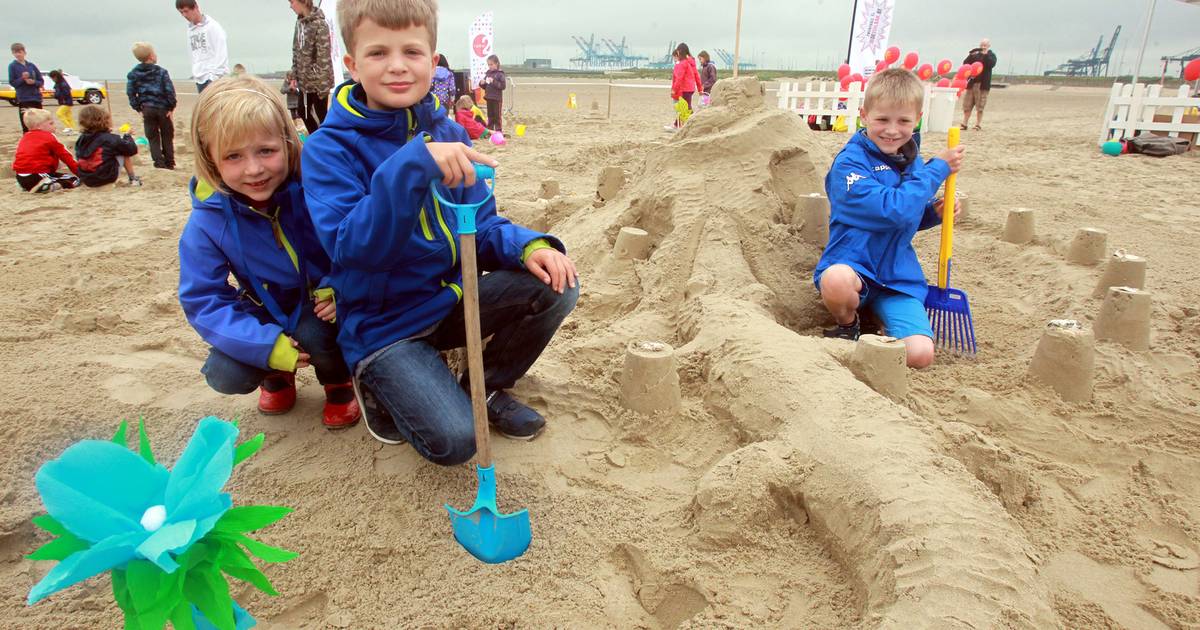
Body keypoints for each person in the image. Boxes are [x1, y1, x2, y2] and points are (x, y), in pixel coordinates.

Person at [302, 0, 579, 463]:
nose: (397, 66)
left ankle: (485, 386)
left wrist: (528, 246)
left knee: (557, 281)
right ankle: (377, 385)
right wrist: (411, 168)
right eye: (378, 53)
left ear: (433, 62)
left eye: (411, 52)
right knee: (455, 442)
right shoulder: (328, 150)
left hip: (450, 303)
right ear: (352, 64)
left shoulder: (451, 133)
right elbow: (354, 249)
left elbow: (479, 226)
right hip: (386, 327)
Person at [178, 75, 360, 430]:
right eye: (233, 156)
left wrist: (341, 286)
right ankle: (275, 376)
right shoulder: (207, 219)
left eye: (266, 151)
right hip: (262, 307)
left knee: (317, 330)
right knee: (225, 373)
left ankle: (338, 382)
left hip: (318, 301)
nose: (254, 169)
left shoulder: (315, 187)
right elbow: (203, 299)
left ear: (288, 143)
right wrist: (262, 344)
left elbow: (356, 242)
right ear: (211, 160)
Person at [813, 68, 965, 369]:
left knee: (920, 354)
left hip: (897, 277)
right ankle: (849, 324)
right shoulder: (850, 164)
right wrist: (937, 170)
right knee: (836, 280)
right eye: (882, 119)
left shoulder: (911, 160)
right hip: (855, 266)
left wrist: (931, 213)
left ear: (917, 119)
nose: (892, 130)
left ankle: (881, 320)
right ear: (864, 115)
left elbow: (904, 218)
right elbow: (890, 210)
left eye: (903, 121)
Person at [126, 42, 178, 170]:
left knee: (152, 136)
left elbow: (131, 92)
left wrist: (138, 107)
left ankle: (159, 162)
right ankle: (169, 162)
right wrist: (171, 106)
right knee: (167, 135)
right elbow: (169, 90)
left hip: (147, 108)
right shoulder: (161, 72)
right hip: (162, 108)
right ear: (151, 56)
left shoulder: (134, 73)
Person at [289, 0, 334, 134]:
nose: (290, 6)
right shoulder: (299, 24)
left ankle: (326, 140)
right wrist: (294, 75)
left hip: (318, 82)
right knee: (302, 111)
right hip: (304, 82)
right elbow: (296, 51)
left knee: (321, 115)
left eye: (292, 2)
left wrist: (322, 86)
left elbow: (324, 56)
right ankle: (316, 137)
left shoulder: (320, 24)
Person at [11, 108, 80, 192]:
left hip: (20, 176)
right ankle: (51, 186)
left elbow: (19, 157)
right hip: (38, 174)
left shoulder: (25, 137)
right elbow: (66, 156)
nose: (55, 126)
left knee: (52, 175)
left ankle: (26, 186)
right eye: (51, 123)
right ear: (39, 126)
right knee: (73, 179)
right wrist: (79, 172)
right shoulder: (49, 137)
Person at [74, 105, 142, 187]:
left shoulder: (81, 139)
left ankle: (81, 179)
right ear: (104, 120)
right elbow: (131, 150)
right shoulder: (109, 138)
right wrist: (127, 136)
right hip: (105, 178)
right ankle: (133, 178)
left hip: (86, 179)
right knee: (123, 150)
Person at [176, 0, 228, 93]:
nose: (184, 15)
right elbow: (193, 54)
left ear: (196, 7)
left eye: (186, 11)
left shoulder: (212, 26)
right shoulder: (190, 30)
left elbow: (221, 53)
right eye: (181, 12)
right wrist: (195, 73)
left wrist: (214, 77)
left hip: (214, 78)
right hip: (200, 78)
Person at [961, 38, 997, 131]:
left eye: (985, 45)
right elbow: (965, 63)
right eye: (982, 45)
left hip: (982, 86)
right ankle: (964, 123)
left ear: (989, 46)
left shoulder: (991, 55)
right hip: (971, 84)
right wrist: (971, 55)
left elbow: (991, 64)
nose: (983, 47)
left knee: (980, 106)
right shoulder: (975, 54)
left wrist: (985, 55)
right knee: (967, 105)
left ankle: (978, 124)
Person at [9, 43, 43, 133]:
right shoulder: (12, 66)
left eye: (19, 52)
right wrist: (22, 78)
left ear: (24, 52)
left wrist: (34, 82)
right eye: (15, 52)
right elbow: (12, 83)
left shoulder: (31, 65)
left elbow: (41, 81)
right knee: (27, 125)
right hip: (24, 99)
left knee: (40, 123)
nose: (17, 54)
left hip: (36, 98)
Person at [669, 43, 702, 129]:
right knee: (686, 107)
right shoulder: (691, 62)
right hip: (690, 88)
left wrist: (674, 89)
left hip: (685, 88)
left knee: (684, 108)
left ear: (680, 51)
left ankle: (685, 125)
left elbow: (679, 77)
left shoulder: (683, 63)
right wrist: (699, 89)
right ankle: (679, 124)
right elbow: (697, 75)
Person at [478, 54, 506, 132]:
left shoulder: (500, 74)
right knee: (490, 116)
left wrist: (493, 81)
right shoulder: (488, 73)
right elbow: (485, 86)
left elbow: (503, 86)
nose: (490, 66)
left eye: (491, 64)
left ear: (496, 63)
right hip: (489, 97)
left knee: (497, 116)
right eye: (488, 65)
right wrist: (482, 83)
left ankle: (498, 130)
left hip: (497, 99)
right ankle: (490, 130)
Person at [48, 70, 75, 135]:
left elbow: (65, 93)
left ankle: (69, 127)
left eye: (52, 78)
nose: (52, 80)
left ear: (55, 77)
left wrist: (55, 95)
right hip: (67, 101)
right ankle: (72, 128)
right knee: (68, 115)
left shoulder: (62, 84)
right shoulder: (61, 83)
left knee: (59, 113)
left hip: (66, 102)